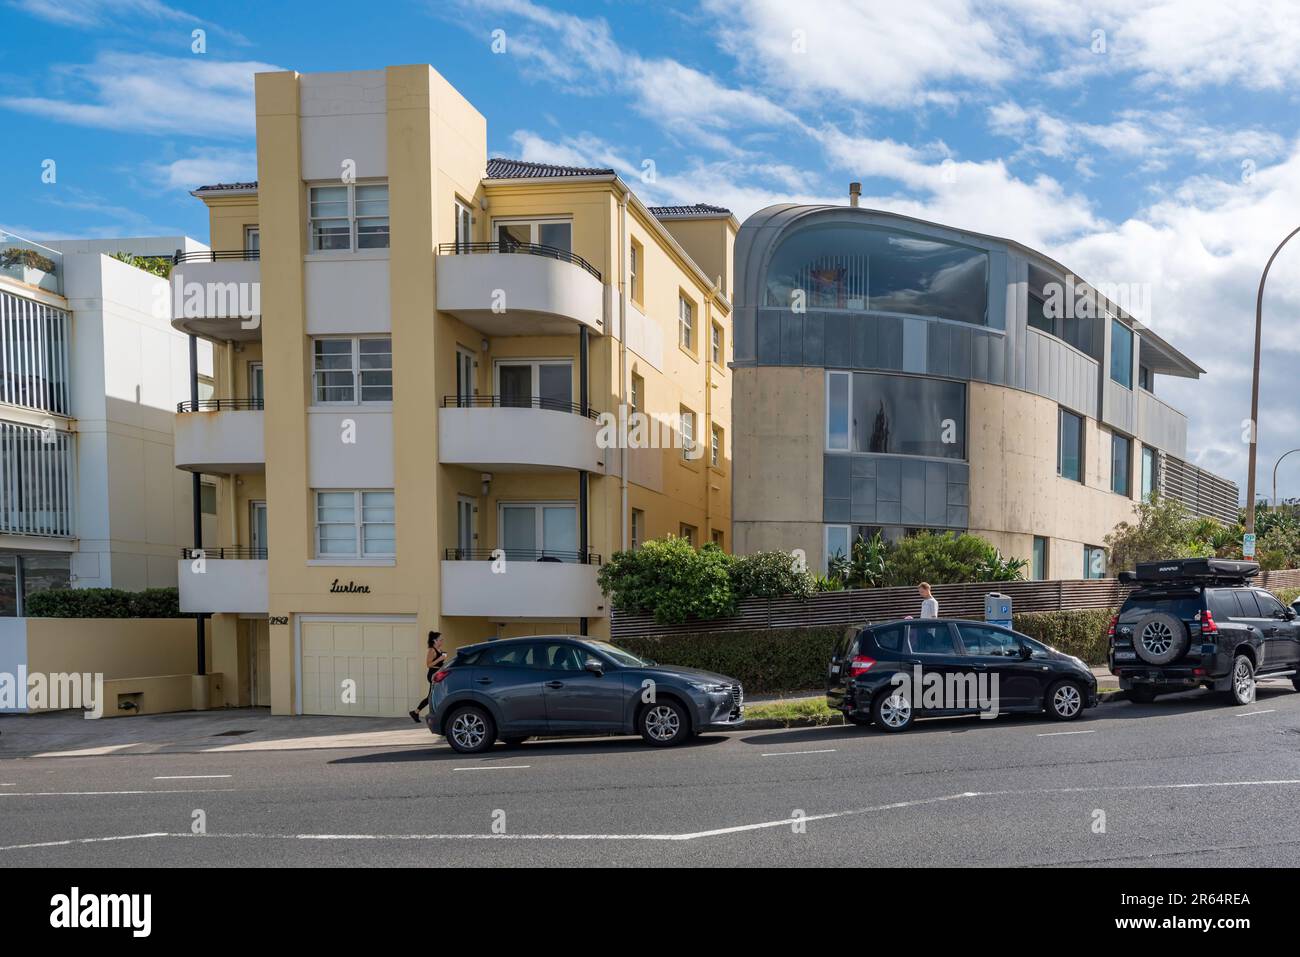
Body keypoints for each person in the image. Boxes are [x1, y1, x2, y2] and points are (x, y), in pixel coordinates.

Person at [409, 631, 446, 723]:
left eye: (442, 640)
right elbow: (428, 664)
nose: (442, 641)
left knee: (433, 695)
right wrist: (440, 659)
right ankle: (418, 712)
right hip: (433, 674)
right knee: (431, 696)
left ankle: (416, 712)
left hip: (438, 673)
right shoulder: (432, 650)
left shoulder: (440, 650)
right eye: (440, 640)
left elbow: (440, 664)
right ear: (435, 640)